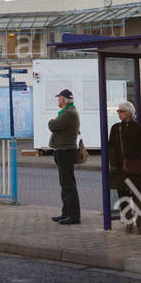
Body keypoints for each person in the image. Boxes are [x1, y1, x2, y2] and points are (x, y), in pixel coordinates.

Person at [108, 100, 141, 234]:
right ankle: (128, 222)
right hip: (121, 169)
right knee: (123, 196)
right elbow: (111, 148)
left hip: (136, 169)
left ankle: (140, 223)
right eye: (118, 111)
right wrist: (114, 164)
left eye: (120, 111)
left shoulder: (138, 128)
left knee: (139, 196)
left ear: (129, 113)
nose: (118, 113)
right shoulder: (116, 128)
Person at [48, 88, 81, 225]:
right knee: (65, 184)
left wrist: (51, 121)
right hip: (62, 151)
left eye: (59, 98)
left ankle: (73, 216)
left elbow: (53, 125)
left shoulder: (68, 113)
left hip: (65, 152)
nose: (58, 100)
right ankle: (66, 213)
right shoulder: (67, 112)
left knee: (68, 185)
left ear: (64, 100)